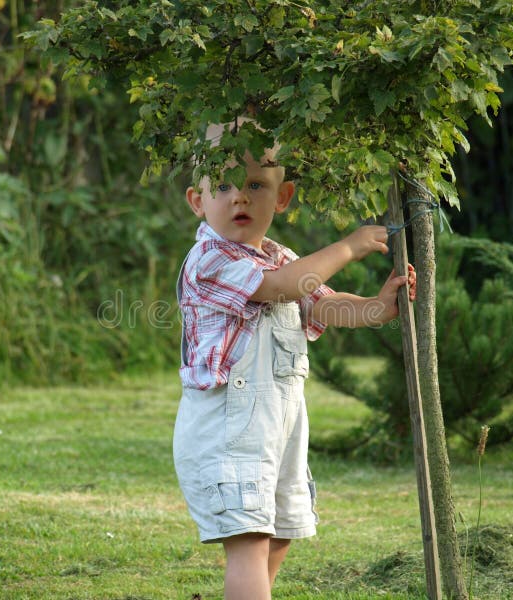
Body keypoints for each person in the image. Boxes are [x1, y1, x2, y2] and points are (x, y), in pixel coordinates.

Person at [174, 122, 416, 600]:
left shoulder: (280, 257)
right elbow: (281, 288)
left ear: (281, 198)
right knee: (250, 541)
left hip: (277, 432)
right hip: (227, 434)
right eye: (222, 186)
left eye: (255, 185)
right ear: (197, 201)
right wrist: (347, 247)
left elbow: (322, 303)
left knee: (280, 531)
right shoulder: (209, 260)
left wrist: (377, 307)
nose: (239, 197)